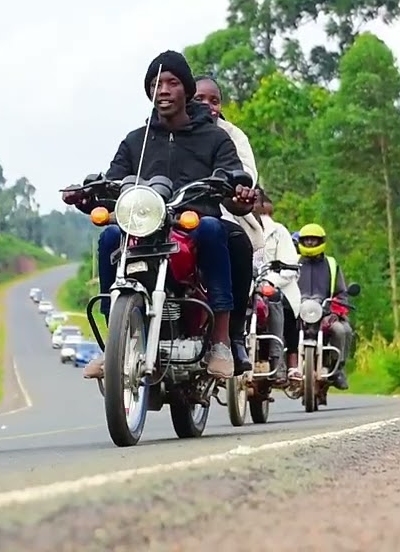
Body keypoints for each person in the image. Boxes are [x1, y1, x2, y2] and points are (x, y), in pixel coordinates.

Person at [62, 50, 256, 381]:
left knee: (214, 229)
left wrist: (236, 189)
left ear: (187, 91)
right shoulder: (135, 140)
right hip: (145, 228)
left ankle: (222, 340)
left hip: (190, 226)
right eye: (156, 83)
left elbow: (233, 174)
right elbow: (115, 180)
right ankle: (113, 344)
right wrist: (87, 197)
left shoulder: (215, 137)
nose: (163, 89)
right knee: (110, 235)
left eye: (172, 82)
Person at [192, 75, 260, 374]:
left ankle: (233, 334)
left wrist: (234, 188)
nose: (208, 106)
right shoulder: (164, 130)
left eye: (214, 100)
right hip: (167, 214)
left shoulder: (231, 135)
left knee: (236, 241)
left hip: (222, 210)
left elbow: (246, 175)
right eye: (200, 99)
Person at [294, 222, 353, 390]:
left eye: (314, 240)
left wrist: (335, 312)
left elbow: (342, 292)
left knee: (343, 330)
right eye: (307, 240)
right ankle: (286, 367)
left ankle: (337, 368)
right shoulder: (293, 262)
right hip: (299, 314)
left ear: (321, 241)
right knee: (282, 329)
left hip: (326, 313)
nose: (310, 244)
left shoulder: (332, 264)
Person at [250, 189, 300, 385]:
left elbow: (290, 267)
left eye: (254, 202)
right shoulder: (236, 228)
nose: (250, 206)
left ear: (262, 206)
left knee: (275, 299)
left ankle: (279, 362)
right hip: (246, 284)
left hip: (274, 285)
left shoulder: (278, 232)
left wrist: (269, 281)